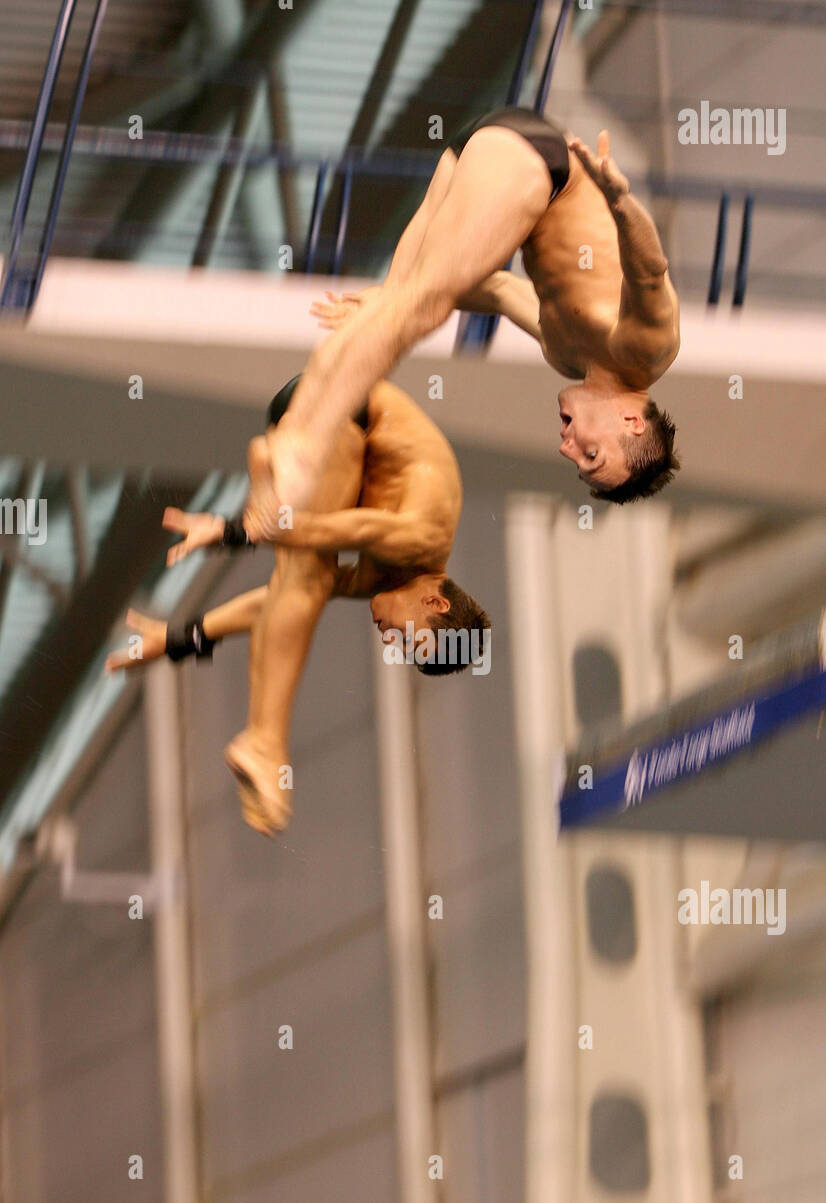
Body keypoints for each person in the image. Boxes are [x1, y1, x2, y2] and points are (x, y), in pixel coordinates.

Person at [246, 115, 681, 543]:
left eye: (577, 461)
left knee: (398, 305)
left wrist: (392, 294)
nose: (567, 448)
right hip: (536, 165)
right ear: (631, 422)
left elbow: (497, 290)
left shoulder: (565, 355)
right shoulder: (647, 352)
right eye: (591, 453)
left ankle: (294, 428)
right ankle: (305, 446)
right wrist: (622, 202)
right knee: (420, 308)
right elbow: (650, 273)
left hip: (482, 150)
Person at [106, 377, 490, 835]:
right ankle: (264, 743)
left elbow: (276, 603)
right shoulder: (424, 535)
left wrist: (181, 639)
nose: (389, 639)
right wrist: (238, 532)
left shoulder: (383, 580)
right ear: (434, 600)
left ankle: (263, 740)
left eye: (399, 648)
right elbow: (351, 532)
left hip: (313, 424)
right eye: (406, 637)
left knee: (302, 584)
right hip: (345, 407)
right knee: (308, 573)